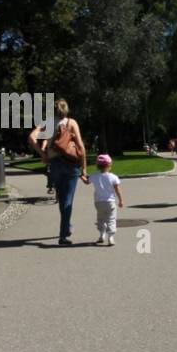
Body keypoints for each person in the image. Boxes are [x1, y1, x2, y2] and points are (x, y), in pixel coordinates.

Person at [35, 98, 88, 246]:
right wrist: (84, 168)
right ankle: (63, 235)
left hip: (55, 164)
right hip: (71, 164)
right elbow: (80, 146)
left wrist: (43, 154)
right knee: (68, 199)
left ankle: (66, 225)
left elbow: (32, 138)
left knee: (62, 197)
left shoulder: (49, 124)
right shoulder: (71, 123)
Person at [90, 153, 123, 245]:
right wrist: (120, 200)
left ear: (97, 166)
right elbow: (117, 191)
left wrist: (82, 175)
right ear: (109, 165)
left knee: (101, 219)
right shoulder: (113, 177)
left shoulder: (94, 176)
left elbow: (86, 182)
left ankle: (101, 235)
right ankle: (111, 237)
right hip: (110, 202)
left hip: (98, 203)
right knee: (111, 219)